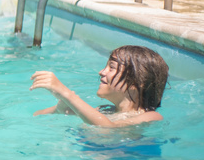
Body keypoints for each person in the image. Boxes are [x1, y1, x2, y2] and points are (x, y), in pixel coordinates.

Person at [30, 45, 169, 128]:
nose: (102, 72)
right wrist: (58, 110)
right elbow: (36, 115)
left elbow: (109, 129)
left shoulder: (151, 116)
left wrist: (66, 93)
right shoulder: (105, 111)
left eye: (112, 68)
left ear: (136, 83)